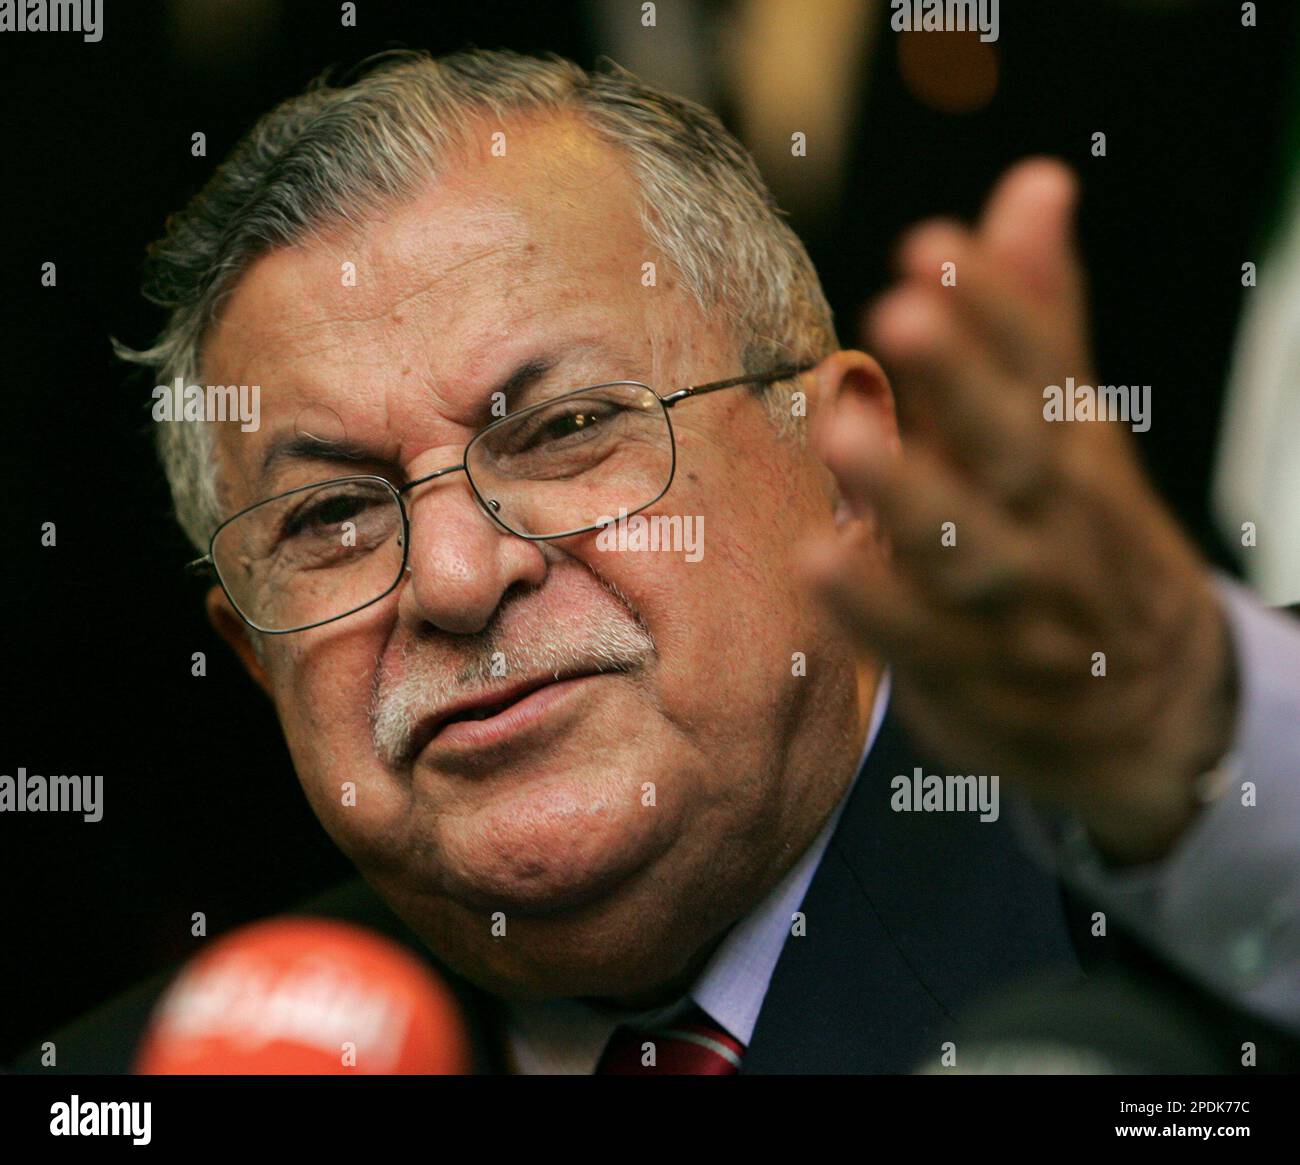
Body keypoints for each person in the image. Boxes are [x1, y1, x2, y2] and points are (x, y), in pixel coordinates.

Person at [15, 48, 1300, 1074]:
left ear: (842, 467)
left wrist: (1200, 729)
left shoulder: (1188, 897)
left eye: (564, 431)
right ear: (252, 654)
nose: (456, 579)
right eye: (331, 518)